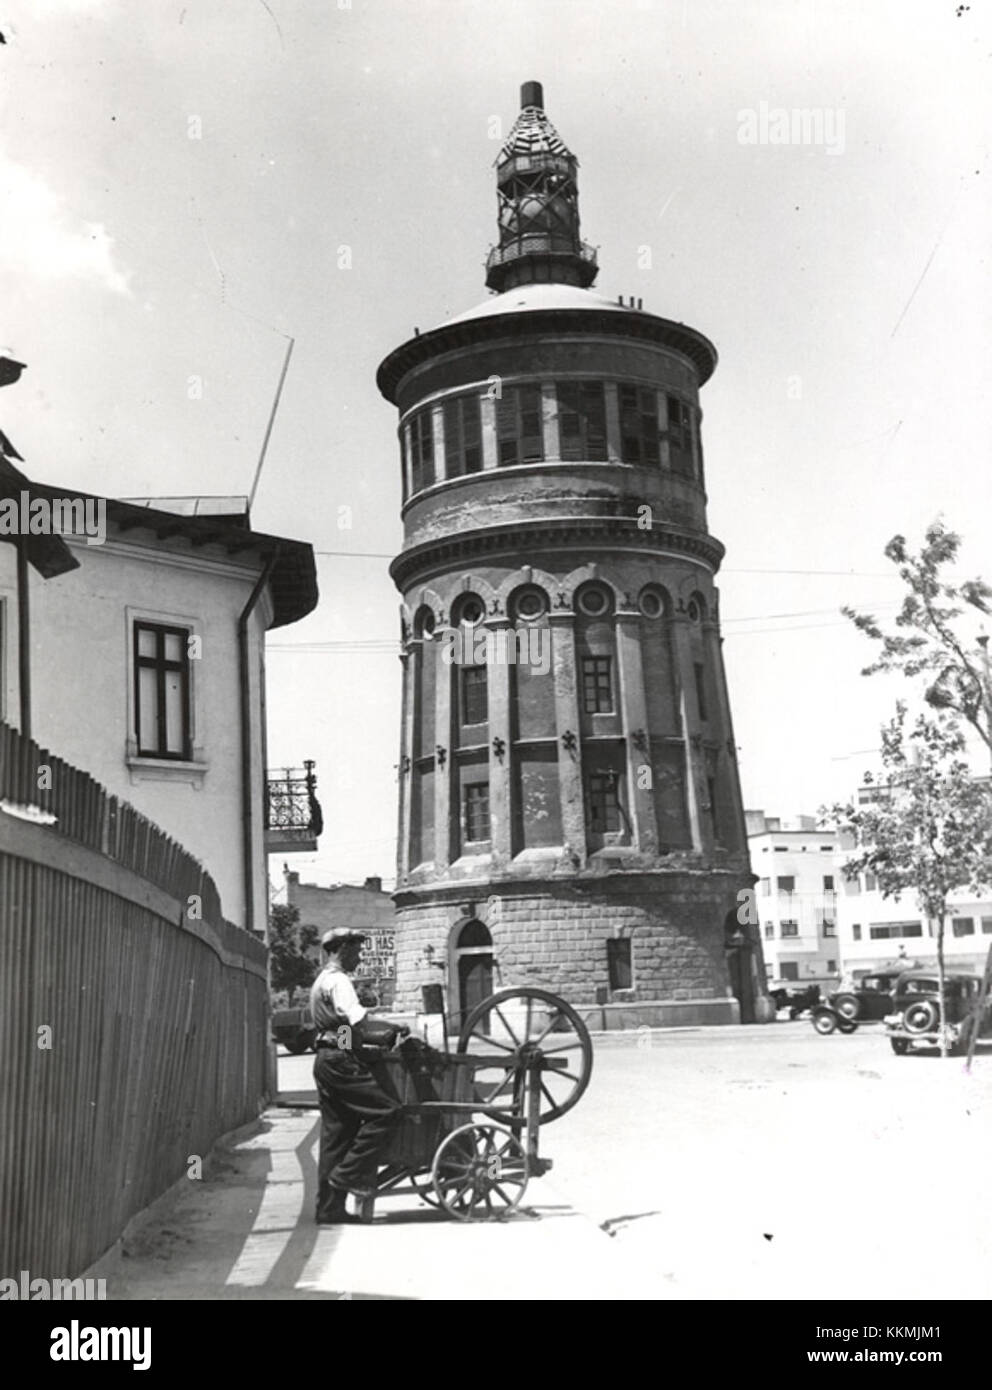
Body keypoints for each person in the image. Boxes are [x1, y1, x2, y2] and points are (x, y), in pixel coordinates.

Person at [310, 927, 405, 1225]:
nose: (360, 957)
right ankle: (345, 1176)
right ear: (342, 950)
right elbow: (359, 1022)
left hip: (326, 1059)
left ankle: (329, 1209)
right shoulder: (339, 982)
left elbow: (348, 1031)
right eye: (357, 950)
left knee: (337, 1135)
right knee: (388, 1112)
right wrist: (394, 1028)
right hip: (339, 1060)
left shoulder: (321, 980)